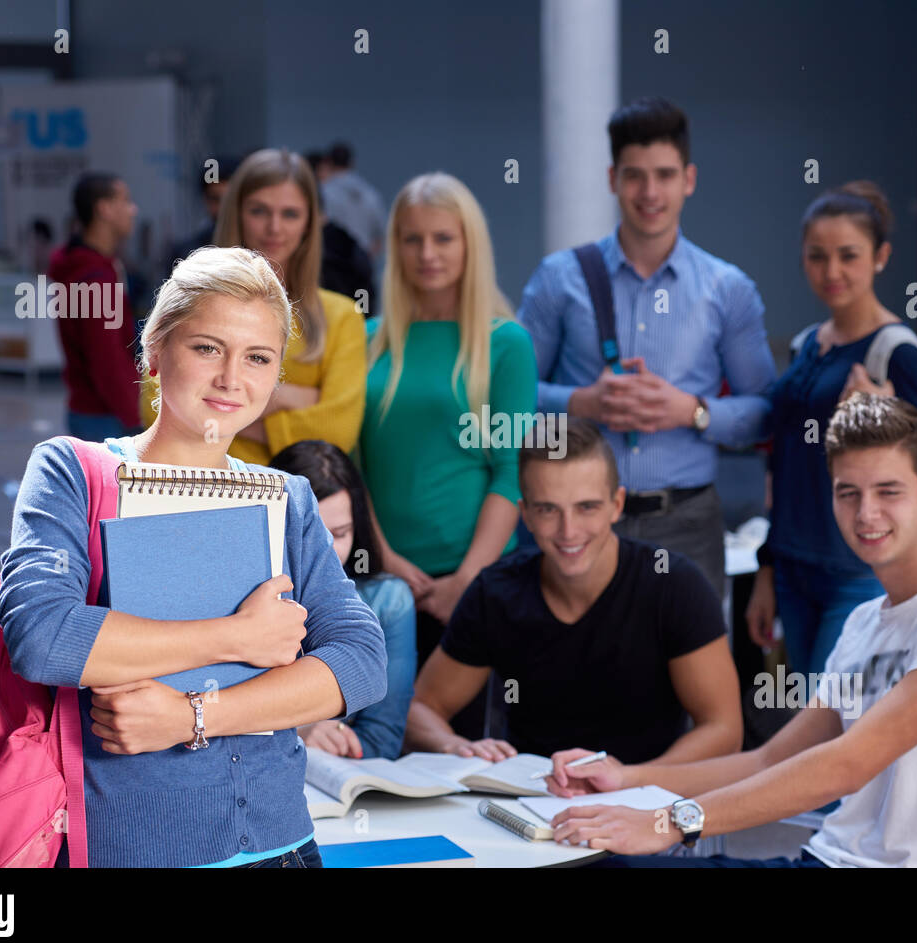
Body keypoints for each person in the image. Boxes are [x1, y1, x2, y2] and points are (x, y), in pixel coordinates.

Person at [0, 246, 387, 868]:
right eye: (208, 347)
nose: (233, 378)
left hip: (284, 850)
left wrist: (191, 717)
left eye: (258, 357)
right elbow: (43, 637)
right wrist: (239, 636)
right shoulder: (73, 471)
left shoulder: (288, 498)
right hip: (134, 851)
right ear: (154, 351)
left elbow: (361, 663)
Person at [546, 394, 917, 868]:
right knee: (587, 859)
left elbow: (848, 764)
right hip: (825, 858)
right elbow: (768, 760)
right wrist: (628, 778)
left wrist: (666, 823)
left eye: (889, 492)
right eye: (849, 493)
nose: (866, 513)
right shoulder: (866, 621)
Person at [518, 97, 775, 600]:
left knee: (691, 677)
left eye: (665, 174)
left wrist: (692, 411)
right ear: (613, 179)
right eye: (635, 175)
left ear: (690, 179)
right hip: (576, 525)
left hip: (686, 520)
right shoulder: (559, 279)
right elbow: (507, 398)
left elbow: (766, 413)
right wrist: (580, 404)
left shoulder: (728, 289)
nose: (650, 192)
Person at [405, 418, 742, 765]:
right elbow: (422, 707)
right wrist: (453, 745)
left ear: (617, 504)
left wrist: (630, 782)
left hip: (649, 801)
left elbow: (724, 729)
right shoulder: (496, 592)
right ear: (526, 515)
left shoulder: (674, 584)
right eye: (548, 509)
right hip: (531, 802)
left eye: (586, 507)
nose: (569, 531)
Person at [747, 181, 917, 679]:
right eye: (817, 256)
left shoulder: (897, 351)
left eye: (848, 255)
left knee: (834, 728)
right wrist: (767, 568)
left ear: (881, 257)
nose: (832, 271)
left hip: (858, 570)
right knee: (806, 720)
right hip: (793, 566)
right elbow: (782, 463)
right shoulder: (805, 345)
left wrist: (886, 416)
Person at [358, 172, 537, 738]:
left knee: (456, 754)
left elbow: (511, 475)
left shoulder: (505, 342)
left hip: (473, 581)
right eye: (412, 239)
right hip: (382, 581)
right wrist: (383, 556)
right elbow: (352, 466)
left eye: (443, 238)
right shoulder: (368, 340)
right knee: (378, 744)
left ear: (470, 245)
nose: (427, 254)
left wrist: (468, 578)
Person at [140, 148, 367, 461]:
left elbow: (337, 431)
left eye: (290, 214)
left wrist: (215, 412)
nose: (274, 227)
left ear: (309, 223)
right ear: (236, 213)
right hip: (203, 488)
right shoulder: (190, 294)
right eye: (259, 211)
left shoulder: (342, 316)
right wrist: (289, 397)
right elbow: (153, 406)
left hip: (301, 495)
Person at [269, 440, 415, 760]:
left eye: (341, 533)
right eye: (311, 534)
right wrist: (298, 730)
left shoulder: (389, 601)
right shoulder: (247, 601)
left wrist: (323, 731)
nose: (326, 550)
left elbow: (381, 739)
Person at [49, 172, 141, 443]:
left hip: (92, 410)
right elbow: (106, 362)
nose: (133, 209)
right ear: (104, 209)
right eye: (125, 201)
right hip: (105, 417)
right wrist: (135, 419)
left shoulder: (87, 267)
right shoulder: (94, 279)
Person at [164, 154, 241, 278]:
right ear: (205, 200)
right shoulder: (187, 256)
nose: (223, 208)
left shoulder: (263, 246)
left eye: (229, 200)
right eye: (216, 199)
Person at [320, 141, 386, 263]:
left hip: (332, 264)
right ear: (351, 163)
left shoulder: (323, 193)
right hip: (362, 266)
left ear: (329, 162)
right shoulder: (370, 193)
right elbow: (381, 236)